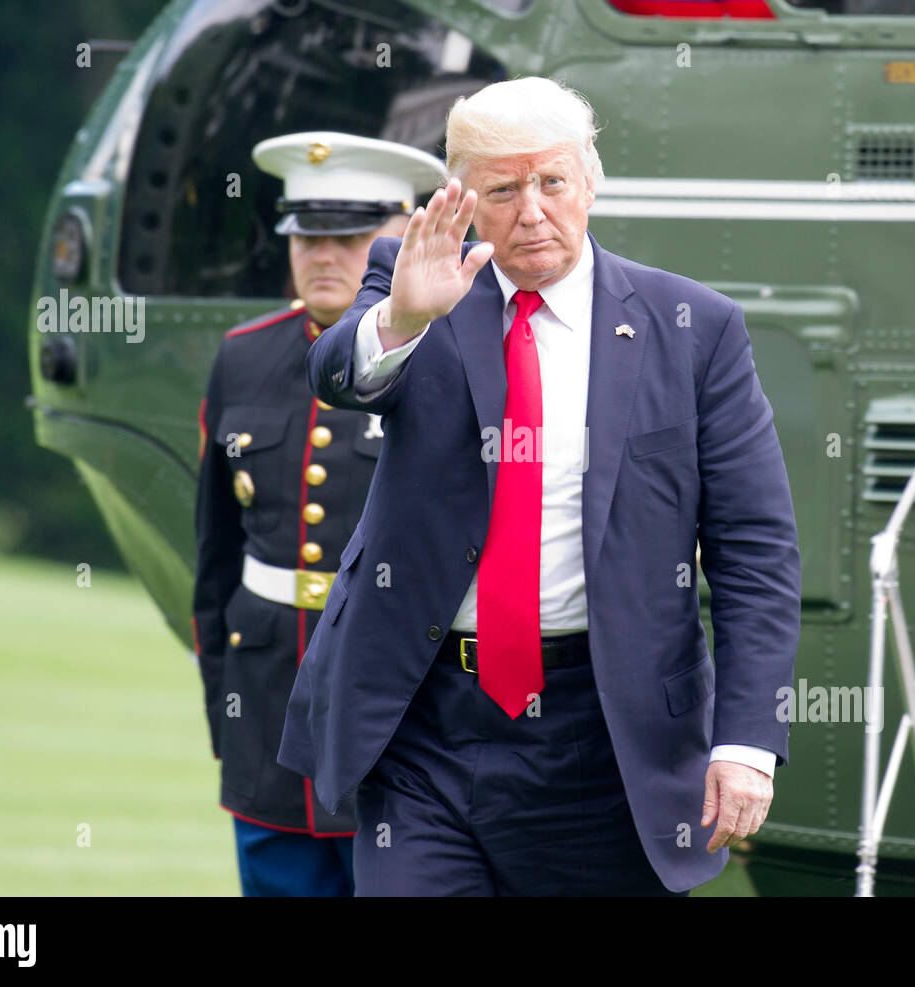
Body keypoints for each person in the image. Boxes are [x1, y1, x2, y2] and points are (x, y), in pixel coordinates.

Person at [279, 78, 801, 896]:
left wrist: (745, 740)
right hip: (424, 726)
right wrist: (403, 321)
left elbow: (756, 549)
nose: (532, 211)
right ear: (463, 198)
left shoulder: (694, 328)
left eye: (552, 181)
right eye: (503, 189)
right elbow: (339, 373)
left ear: (590, 180)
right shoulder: (412, 279)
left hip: (605, 732)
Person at [192, 132, 446, 896]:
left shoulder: (440, 355)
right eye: (307, 234)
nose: (323, 254)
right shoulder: (242, 355)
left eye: (348, 234)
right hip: (265, 703)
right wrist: (223, 709)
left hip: (395, 715)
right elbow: (215, 555)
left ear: (400, 234)